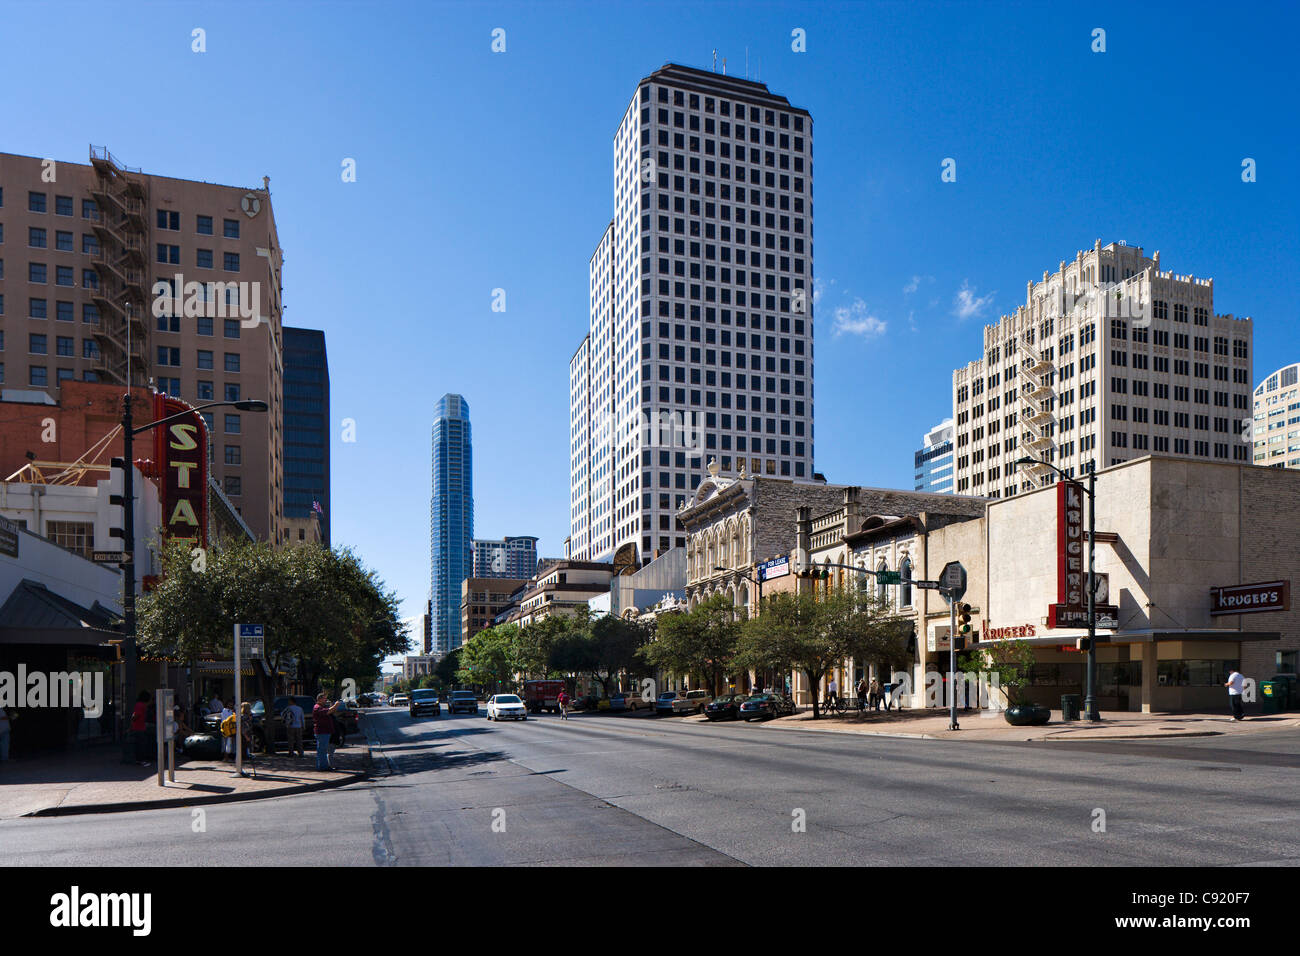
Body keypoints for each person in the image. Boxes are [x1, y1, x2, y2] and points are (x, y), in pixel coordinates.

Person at [312, 693, 341, 770]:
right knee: (322, 750)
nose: (326, 700)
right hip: (322, 732)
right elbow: (327, 711)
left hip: (325, 732)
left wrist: (335, 706)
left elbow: (330, 711)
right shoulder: (317, 707)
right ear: (320, 699)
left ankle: (324, 766)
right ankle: (322, 767)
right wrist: (336, 705)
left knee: (323, 750)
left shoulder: (321, 707)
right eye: (324, 698)